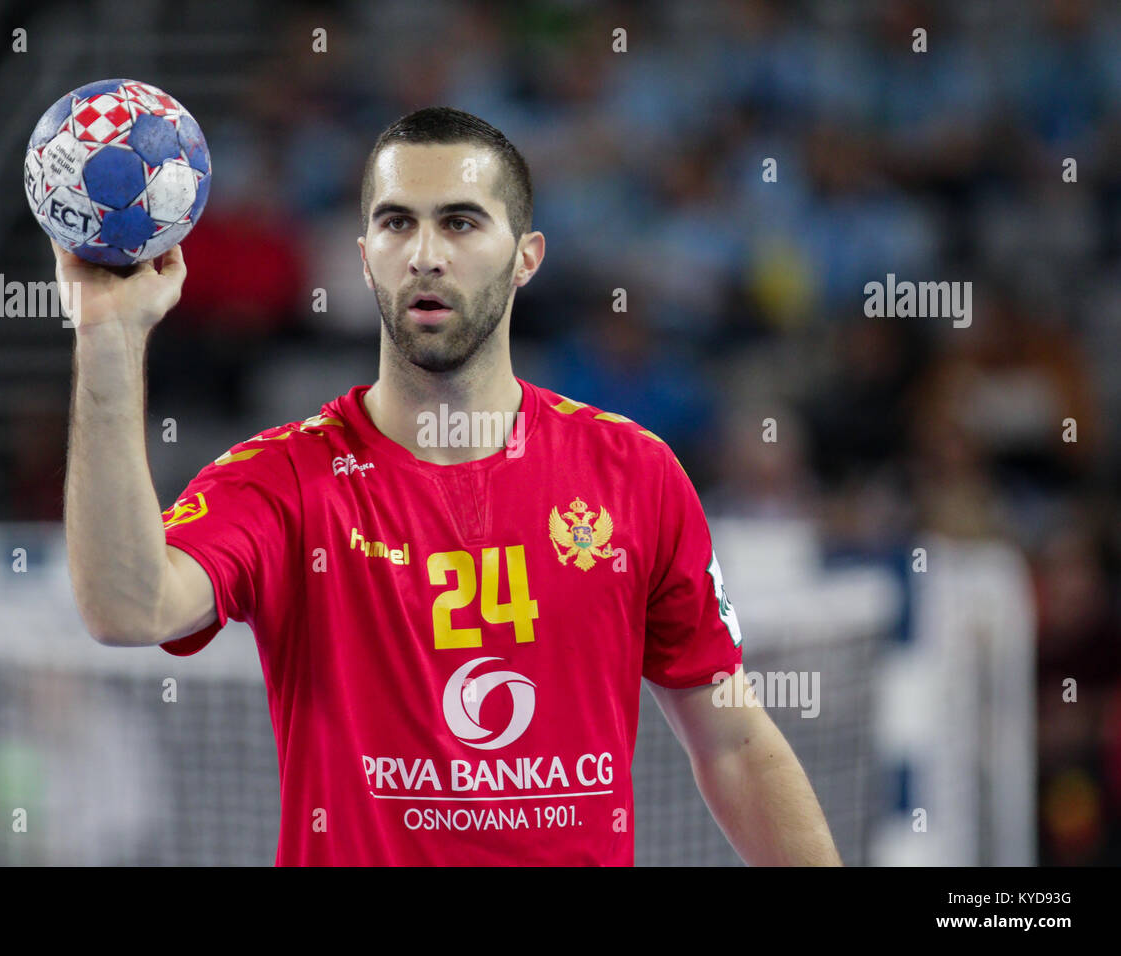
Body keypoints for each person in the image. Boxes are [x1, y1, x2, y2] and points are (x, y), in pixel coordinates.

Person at [58, 106, 841, 866]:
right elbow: (128, 608)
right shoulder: (285, 481)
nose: (425, 253)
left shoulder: (635, 474)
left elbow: (735, 745)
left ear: (526, 256)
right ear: (364, 256)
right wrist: (109, 338)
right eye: (398, 223)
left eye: (461, 223)